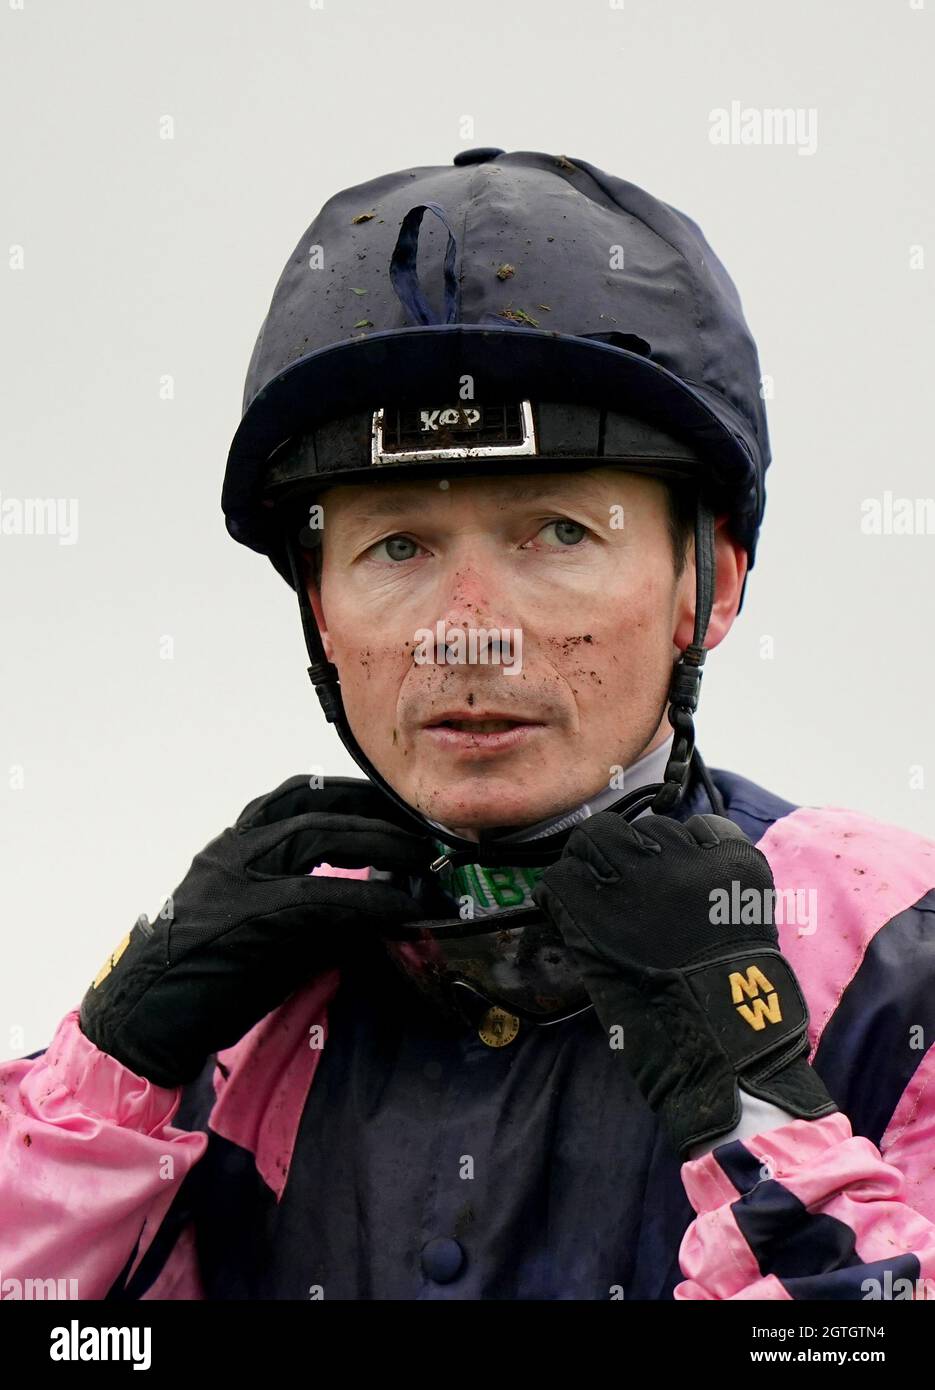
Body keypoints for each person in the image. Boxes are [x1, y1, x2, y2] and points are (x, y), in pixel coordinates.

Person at [3, 148, 935, 1302]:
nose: (466, 635)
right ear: (319, 613)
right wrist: (108, 1077)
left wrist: (756, 1109)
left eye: (554, 533)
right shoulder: (235, 1027)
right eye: (396, 546)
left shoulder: (898, 965)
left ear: (712, 584)